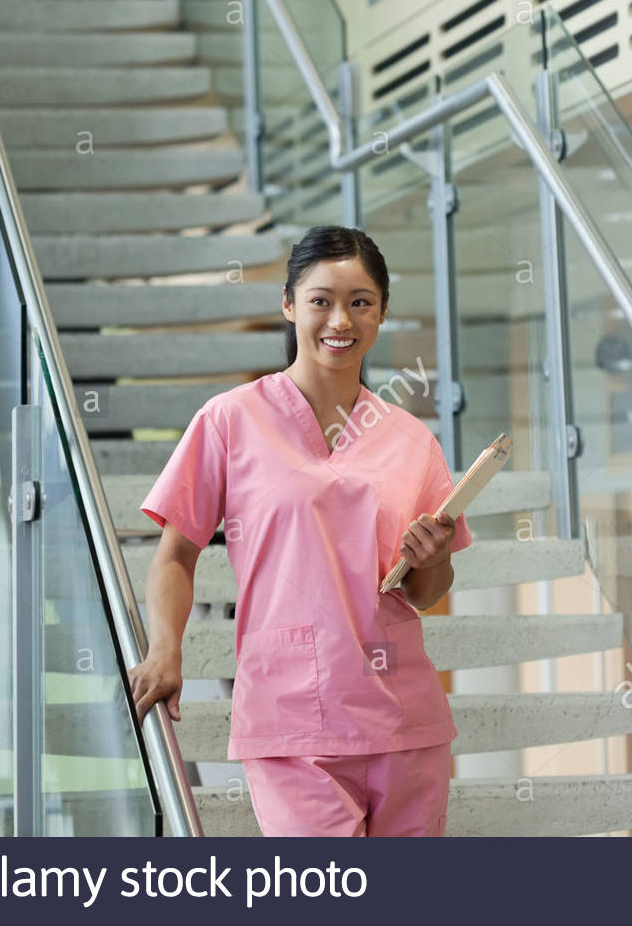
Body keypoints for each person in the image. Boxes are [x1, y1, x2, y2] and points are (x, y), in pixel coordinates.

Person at [127, 226, 472, 836]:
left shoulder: (411, 439)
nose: (341, 318)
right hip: (289, 720)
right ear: (289, 305)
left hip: (403, 717)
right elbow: (177, 554)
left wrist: (433, 557)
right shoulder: (230, 421)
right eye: (321, 300)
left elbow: (423, 592)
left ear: (382, 312)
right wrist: (165, 648)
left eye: (360, 301)